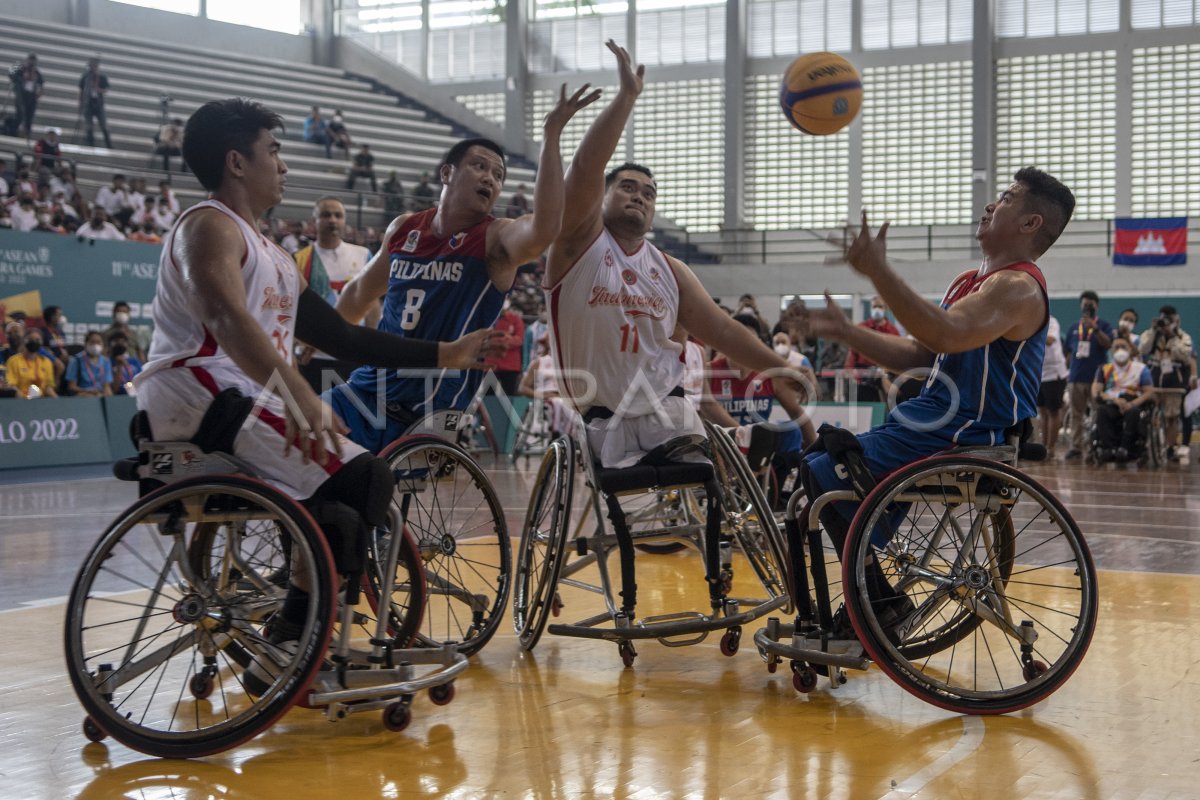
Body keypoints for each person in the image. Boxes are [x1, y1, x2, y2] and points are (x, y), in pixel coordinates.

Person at [134, 98, 496, 652]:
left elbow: (344, 337)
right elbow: (225, 318)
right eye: (273, 152)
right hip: (199, 393)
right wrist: (300, 394)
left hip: (237, 397)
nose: (283, 166)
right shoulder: (208, 225)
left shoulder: (275, 255)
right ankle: (295, 637)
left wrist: (444, 353)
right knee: (365, 478)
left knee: (346, 495)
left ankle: (299, 628)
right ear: (236, 162)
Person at [793, 166, 1075, 633]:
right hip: (931, 419)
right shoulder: (969, 280)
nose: (991, 205)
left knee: (825, 471)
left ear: (1030, 223)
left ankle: (878, 604)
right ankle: (875, 592)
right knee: (818, 460)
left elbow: (946, 331)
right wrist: (847, 332)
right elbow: (920, 354)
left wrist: (879, 271)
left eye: (1006, 198)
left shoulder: (1018, 287)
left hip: (969, 427)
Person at [544, 42, 807, 470]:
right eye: (627, 187)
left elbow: (723, 330)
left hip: (666, 410)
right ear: (601, 197)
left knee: (706, 466)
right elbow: (586, 167)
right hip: (597, 416)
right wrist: (627, 98)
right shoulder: (576, 244)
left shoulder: (670, 269)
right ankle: (729, 444)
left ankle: (737, 454)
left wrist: (781, 367)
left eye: (649, 194)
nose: (640, 196)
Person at [328, 86, 599, 453]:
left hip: (424, 409)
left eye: (498, 175)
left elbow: (545, 228)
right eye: (479, 166)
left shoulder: (496, 240)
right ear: (446, 173)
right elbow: (359, 294)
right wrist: (322, 340)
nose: (490, 178)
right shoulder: (404, 228)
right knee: (286, 435)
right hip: (364, 389)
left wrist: (551, 137)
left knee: (349, 477)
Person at [294, 196, 376, 389]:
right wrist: (296, 343)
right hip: (313, 356)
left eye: (338, 215)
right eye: (326, 215)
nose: (332, 220)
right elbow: (293, 307)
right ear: (314, 221)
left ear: (344, 220)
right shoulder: (299, 259)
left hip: (353, 353)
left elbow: (372, 304)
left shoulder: (363, 255)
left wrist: (371, 347)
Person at [1139, 304, 1195, 461]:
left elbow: (1185, 356)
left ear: (1176, 320)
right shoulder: (1152, 334)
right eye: (1164, 318)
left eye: (1169, 319)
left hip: (1174, 383)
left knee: (1172, 417)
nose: (1166, 322)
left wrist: (1172, 336)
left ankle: (1170, 448)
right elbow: (1143, 349)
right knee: (1148, 415)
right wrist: (1153, 332)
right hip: (1154, 381)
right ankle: (1146, 447)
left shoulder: (1183, 337)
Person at [1062, 290, 1112, 459]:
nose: (1087, 307)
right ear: (1080, 306)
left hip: (1097, 378)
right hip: (1076, 377)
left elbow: (1108, 344)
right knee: (1076, 413)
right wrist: (1069, 371)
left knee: (1097, 413)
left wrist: (1095, 329)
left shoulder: (1103, 325)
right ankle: (1075, 446)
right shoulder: (1073, 327)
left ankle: (1095, 445)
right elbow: (1068, 353)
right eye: (1085, 304)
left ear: (1097, 306)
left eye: (1091, 305)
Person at [1090, 337, 1152, 464]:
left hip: (1133, 400)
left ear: (1130, 350)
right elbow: (1097, 391)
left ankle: (1125, 448)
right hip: (1112, 401)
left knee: (1134, 413)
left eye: (1123, 347)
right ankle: (1109, 448)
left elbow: (1149, 391)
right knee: (1102, 411)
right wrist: (1115, 400)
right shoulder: (1105, 368)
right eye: (1116, 347)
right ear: (1112, 351)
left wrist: (1132, 404)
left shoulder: (1141, 368)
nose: (1120, 350)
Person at [843, 296, 901, 403]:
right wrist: (849, 370)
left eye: (880, 306)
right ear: (870, 307)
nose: (877, 309)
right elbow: (852, 351)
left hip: (887, 373)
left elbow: (899, 356)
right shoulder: (861, 328)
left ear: (885, 308)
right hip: (863, 375)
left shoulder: (893, 331)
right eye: (874, 306)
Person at [1037, 313, 1069, 455]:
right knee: (1042, 411)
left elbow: (1050, 340)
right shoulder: (1031, 321)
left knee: (1053, 412)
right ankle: (1043, 446)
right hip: (1039, 373)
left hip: (1054, 374)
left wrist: (1030, 332)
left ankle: (1051, 448)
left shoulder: (1051, 322)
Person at [484, 298, 525, 396]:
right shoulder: (488, 318)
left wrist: (495, 340)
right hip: (491, 363)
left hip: (510, 365)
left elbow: (519, 340)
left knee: (509, 396)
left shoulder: (516, 319)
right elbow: (483, 338)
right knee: (488, 396)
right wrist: (507, 338)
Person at [4, 327, 57, 398]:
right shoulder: (13, 361)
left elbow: (48, 387)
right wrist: (21, 399)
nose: (34, 342)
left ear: (42, 342)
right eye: (30, 339)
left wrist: (57, 401)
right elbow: (12, 385)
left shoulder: (46, 362)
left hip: (41, 400)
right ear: (24, 340)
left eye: (37, 340)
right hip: (20, 399)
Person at [65, 330, 113, 397]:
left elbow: (106, 386)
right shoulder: (76, 361)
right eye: (92, 342)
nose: (95, 345)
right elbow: (71, 387)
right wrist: (88, 391)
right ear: (86, 343)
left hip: (100, 395)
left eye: (98, 342)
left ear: (103, 345)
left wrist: (109, 397)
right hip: (83, 395)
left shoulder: (106, 361)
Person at [78, 57, 112, 149]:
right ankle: (90, 142)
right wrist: (80, 103)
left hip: (98, 103)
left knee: (103, 124)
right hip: (88, 103)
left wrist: (98, 89)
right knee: (89, 125)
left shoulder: (101, 77)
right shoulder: (86, 77)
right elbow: (81, 90)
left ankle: (108, 144)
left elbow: (106, 89)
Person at [10, 54, 44, 139]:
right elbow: (11, 75)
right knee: (20, 114)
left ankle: (27, 133)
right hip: (21, 95)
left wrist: (40, 91)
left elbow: (41, 83)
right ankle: (14, 131)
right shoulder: (20, 68)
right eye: (30, 61)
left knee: (29, 115)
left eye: (33, 61)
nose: (32, 63)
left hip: (32, 96)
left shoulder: (37, 72)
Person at [107, 330, 143, 395]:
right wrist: (119, 366)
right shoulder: (107, 362)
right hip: (117, 397)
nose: (120, 343)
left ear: (127, 344)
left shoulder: (135, 361)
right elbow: (113, 390)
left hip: (137, 394)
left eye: (123, 341)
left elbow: (142, 381)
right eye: (116, 341)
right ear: (110, 344)